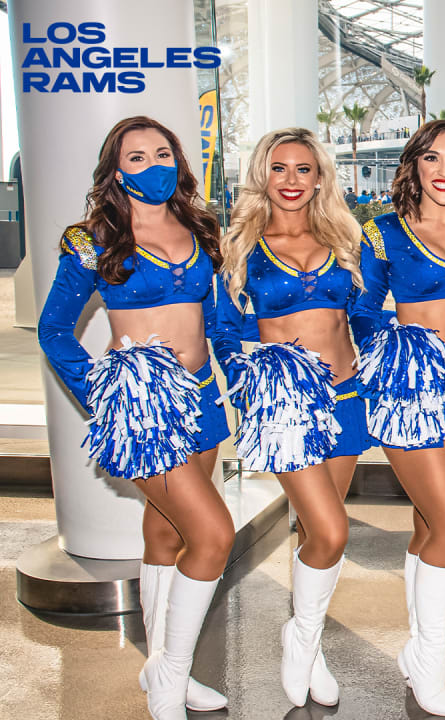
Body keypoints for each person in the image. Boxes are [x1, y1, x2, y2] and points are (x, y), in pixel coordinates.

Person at [37, 116, 232, 720]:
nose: (154, 164)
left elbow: (218, 321)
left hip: (201, 399)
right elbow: (54, 332)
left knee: (168, 532)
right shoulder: (92, 238)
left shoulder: (200, 224)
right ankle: (171, 678)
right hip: (144, 409)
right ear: (115, 170)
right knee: (214, 536)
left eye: (163, 152)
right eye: (137, 156)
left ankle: (159, 667)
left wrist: (250, 380)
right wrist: (106, 394)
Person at [210, 128, 371, 708]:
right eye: (280, 169)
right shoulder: (243, 249)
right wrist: (257, 380)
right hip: (288, 408)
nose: (292, 180)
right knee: (331, 531)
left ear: (320, 178)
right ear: (264, 176)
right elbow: (225, 331)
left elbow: (366, 321)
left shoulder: (348, 242)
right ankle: (300, 639)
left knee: (314, 531)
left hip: (348, 400)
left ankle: (311, 637)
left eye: (304, 169)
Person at [349, 119, 445, 716]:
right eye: (432, 159)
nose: (444, 171)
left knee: (432, 528)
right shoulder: (383, 232)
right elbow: (359, 313)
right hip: (411, 396)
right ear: (413, 166)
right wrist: (407, 339)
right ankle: (431, 663)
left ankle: (419, 654)